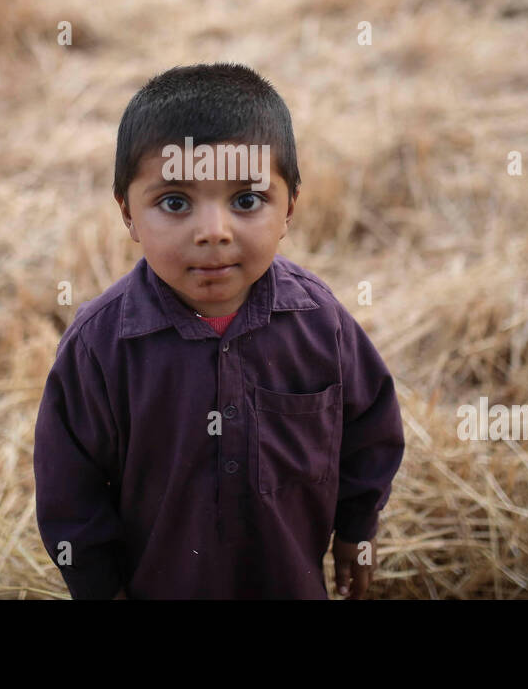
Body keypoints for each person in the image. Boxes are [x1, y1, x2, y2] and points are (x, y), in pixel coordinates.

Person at [33, 63, 405, 599]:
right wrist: (98, 586)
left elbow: (370, 430)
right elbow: (69, 488)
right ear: (128, 214)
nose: (213, 232)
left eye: (247, 200)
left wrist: (357, 529)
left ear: (289, 209)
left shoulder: (320, 324)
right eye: (175, 202)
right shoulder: (101, 347)